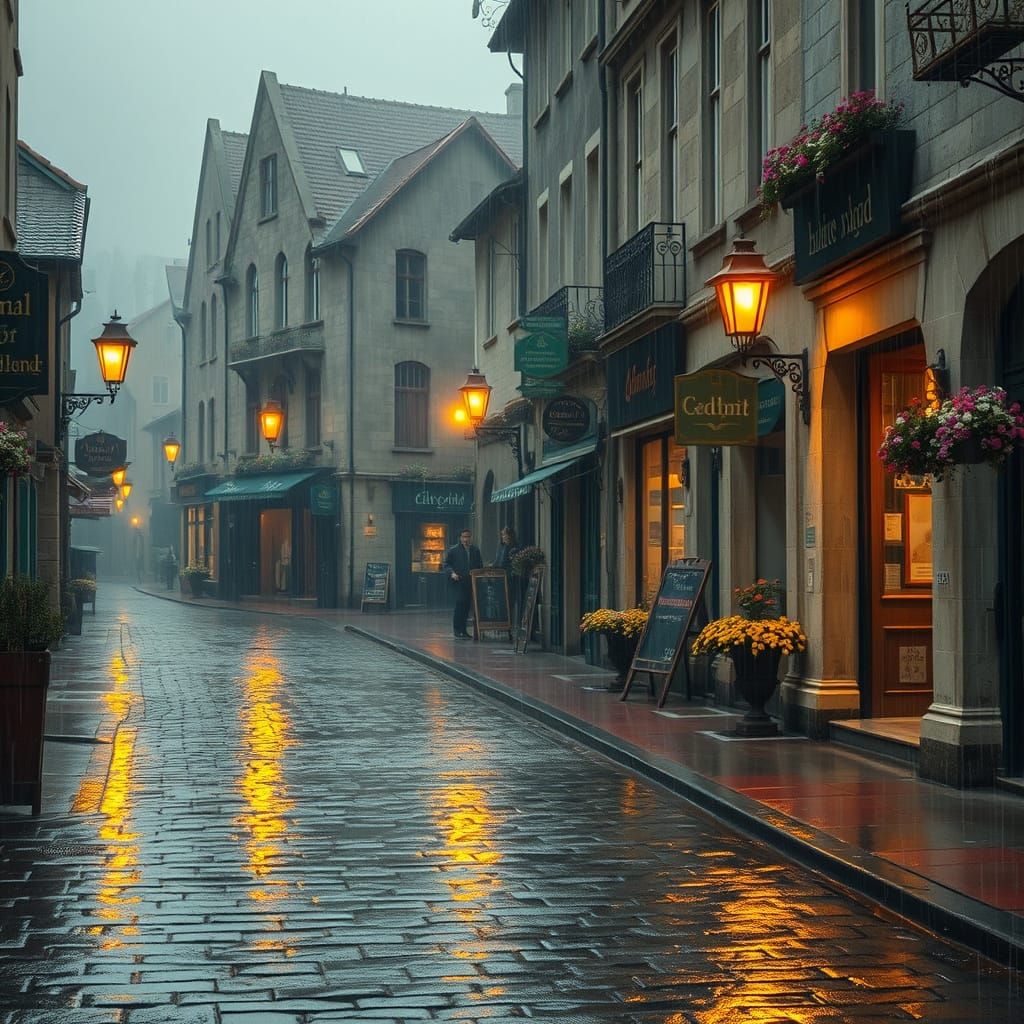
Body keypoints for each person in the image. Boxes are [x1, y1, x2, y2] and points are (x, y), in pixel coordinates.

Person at [443, 528, 483, 639]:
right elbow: (446, 565)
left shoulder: (475, 550)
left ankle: (464, 630)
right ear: (460, 538)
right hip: (458, 581)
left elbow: (480, 565)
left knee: (466, 606)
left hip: (471, 582)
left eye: (468, 537)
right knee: (459, 604)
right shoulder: (453, 551)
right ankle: (457, 630)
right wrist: (452, 573)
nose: (466, 539)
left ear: (471, 538)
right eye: (464, 537)